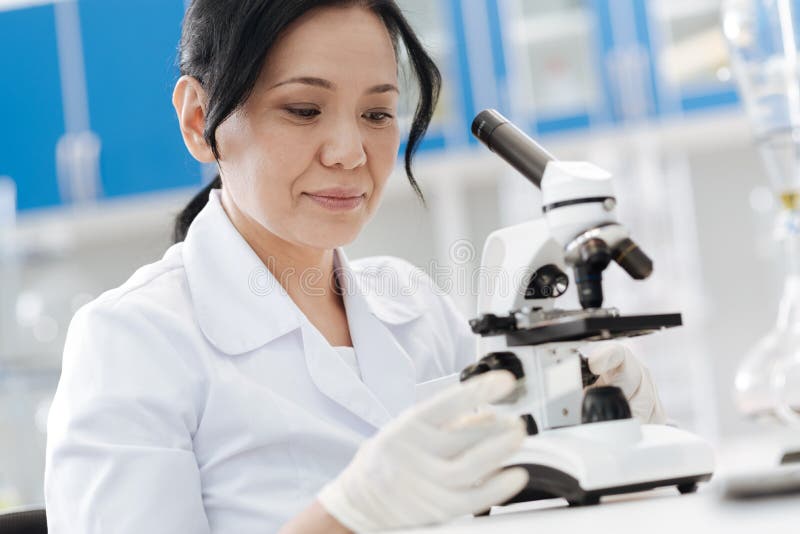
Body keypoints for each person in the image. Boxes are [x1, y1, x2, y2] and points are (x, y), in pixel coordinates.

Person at [43, 1, 666, 532]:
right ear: (200, 120)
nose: (349, 153)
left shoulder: (417, 307)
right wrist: (344, 515)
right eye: (303, 109)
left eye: (376, 114)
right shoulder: (132, 342)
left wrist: (593, 430)